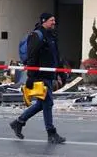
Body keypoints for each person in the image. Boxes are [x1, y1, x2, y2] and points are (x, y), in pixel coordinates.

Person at [9, 13, 66, 144]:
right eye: (52, 20)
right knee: (48, 104)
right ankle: (51, 133)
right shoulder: (37, 35)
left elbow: (55, 56)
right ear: (44, 21)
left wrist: (60, 72)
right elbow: (32, 57)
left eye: (54, 20)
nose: (54, 22)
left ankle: (18, 122)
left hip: (49, 74)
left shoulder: (51, 36)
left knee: (42, 104)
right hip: (40, 76)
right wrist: (31, 76)